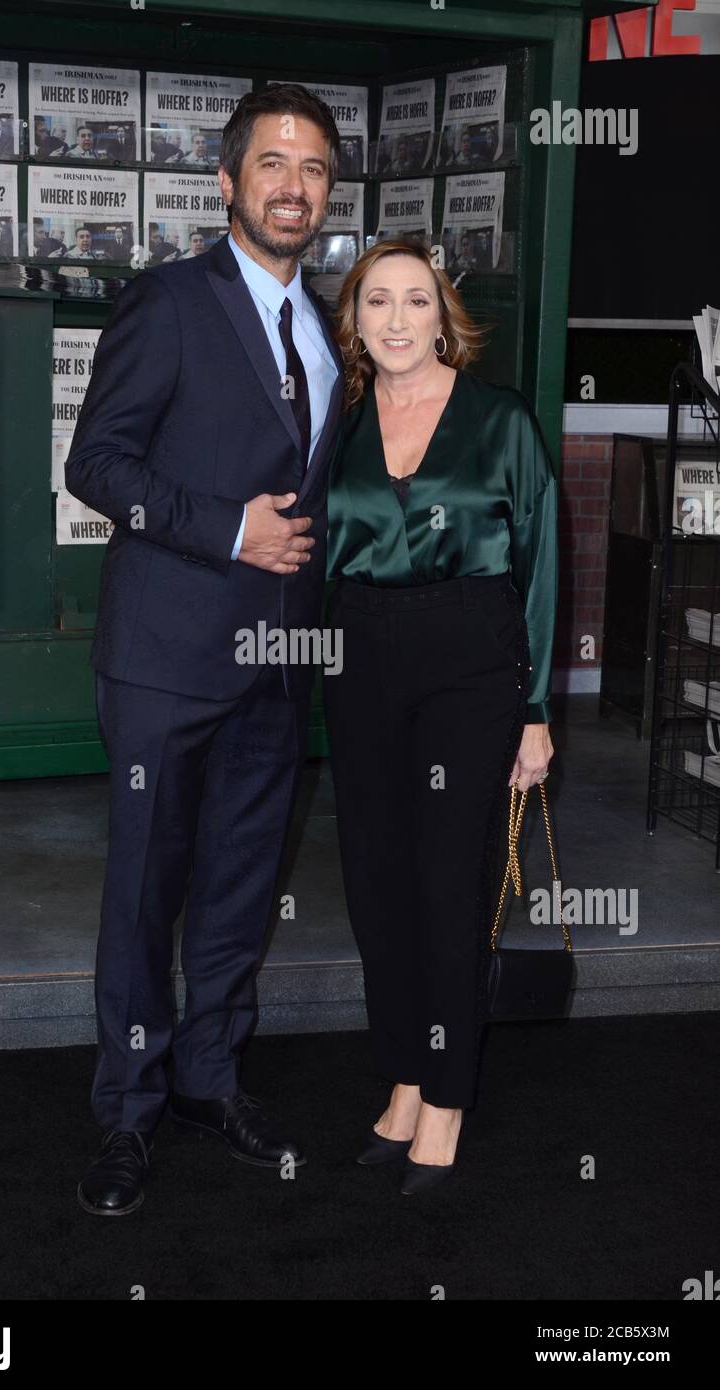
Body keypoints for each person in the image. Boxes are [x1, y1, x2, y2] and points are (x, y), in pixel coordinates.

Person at [65, 82, 344, 1217]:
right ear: (227, 182)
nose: (293, 184)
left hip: (277, 668)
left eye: (315, 168)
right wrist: (232, 529)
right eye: (272, 163)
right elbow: (99, 463)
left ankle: (207, 1081)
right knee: (144, 892)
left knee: (239, 889)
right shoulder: (168, 302)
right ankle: (126, 1114)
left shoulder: (329, 326)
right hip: (166, 660)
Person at [323, 237, 558, 1195]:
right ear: (356, 321)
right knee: (376, 883)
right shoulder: (335, 424)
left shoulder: (500, 422)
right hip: (361, 657)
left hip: (471, 660)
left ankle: (450, 1094)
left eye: (413, 301)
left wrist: (536, 711)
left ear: (442, 316)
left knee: (446, 884)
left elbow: (540, 566)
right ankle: (407, 1076)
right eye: (375, 301)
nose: (394, 319)